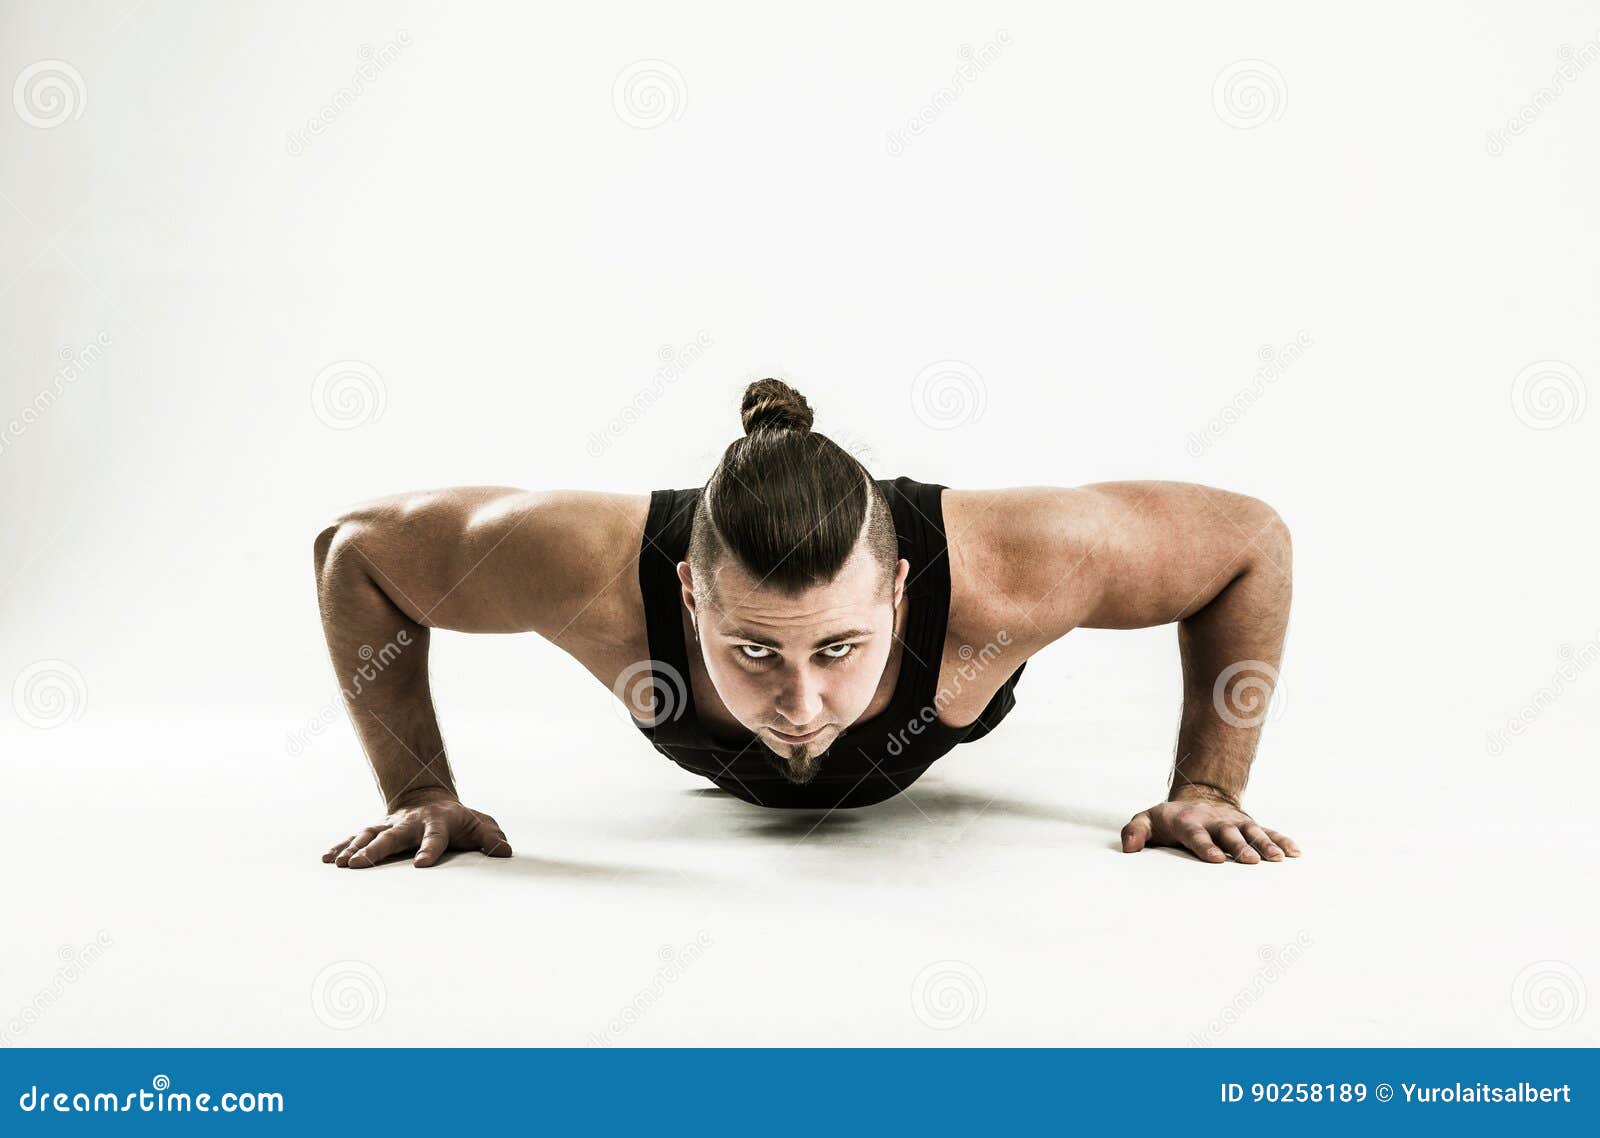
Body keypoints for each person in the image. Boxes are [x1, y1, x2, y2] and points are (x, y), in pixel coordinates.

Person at [313, 378, 1300, 869]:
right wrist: (421, 788)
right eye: (752, 649)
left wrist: (1207, 784)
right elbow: (355, 553)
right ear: (688, 599)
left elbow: (1247, 541)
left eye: (838, 648)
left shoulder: (1018, 570)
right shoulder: (583, 569)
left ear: (900, 593)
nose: (800, 701)